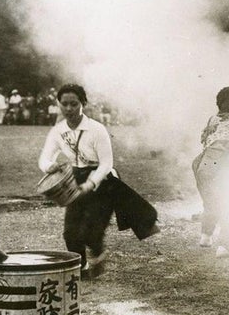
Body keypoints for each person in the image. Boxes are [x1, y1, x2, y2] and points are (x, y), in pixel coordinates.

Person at [39, 83, 159, 278]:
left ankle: (98, 252)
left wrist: (91, 183)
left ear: (83, 103)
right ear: (59, 104)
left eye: (74, 104)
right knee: (70, 233)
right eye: (64, 104)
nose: (69, 109)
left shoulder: (97, 129)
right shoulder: (58, 131)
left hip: (103, 183)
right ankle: (83, 268)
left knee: (92, 232)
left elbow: (106, 163)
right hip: (74, 181)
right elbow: (45, 157)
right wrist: (48, 166)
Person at [192, 86, 229, 258]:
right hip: (220, 166)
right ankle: (226, 247)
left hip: (201, 164)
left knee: (211, 201)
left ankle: (206, 236)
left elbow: (204, 139)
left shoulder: (212, 119)